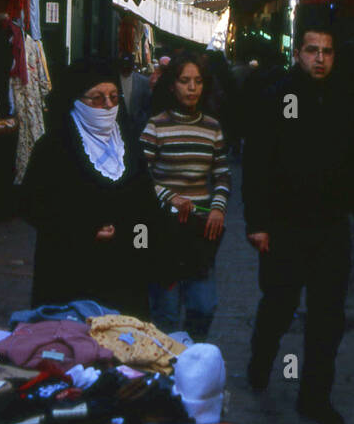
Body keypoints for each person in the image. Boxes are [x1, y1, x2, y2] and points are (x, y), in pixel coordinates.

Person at [242, 18, 354, 424]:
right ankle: (261, 361)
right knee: (279, 305)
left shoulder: (347, 98)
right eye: (312, 50)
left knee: (327, 316)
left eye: (327, 51)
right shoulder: (277, 96)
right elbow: (257, 163)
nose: (320, 59)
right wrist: (258, 223)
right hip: (284, 226)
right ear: (298, 52)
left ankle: (314, 397)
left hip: (331, 227)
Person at [20, 58, 161, 319]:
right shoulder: (53, 147)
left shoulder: (128, 143)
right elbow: (31, 206)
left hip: (123, 274)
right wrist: (84, 230)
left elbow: (146, 206)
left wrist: (139, 245)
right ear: (77, 100)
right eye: (96, 98)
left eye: (113, 97)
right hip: (70, 273)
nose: (107, 106)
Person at [142, 51, 231, 340]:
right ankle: (165, 376)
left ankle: (192, 361)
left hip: (201, 229)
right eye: (184, 81)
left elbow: (222, 174)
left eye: (197, 81)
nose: (192, 87)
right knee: (166, 313)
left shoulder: (213, 127)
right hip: (165, 230)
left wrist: (217, 208)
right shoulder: (156, 125)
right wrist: (170, 197)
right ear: (172, 86)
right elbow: (140, 177)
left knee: (203, 305)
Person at [117, 51, 152, 137]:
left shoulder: (143, 81)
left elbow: (147, 105)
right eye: (124, 64)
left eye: (128, 65)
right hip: (118, 128)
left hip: (137, 128)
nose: (126, 67)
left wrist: (141, 121)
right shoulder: (113, 79)